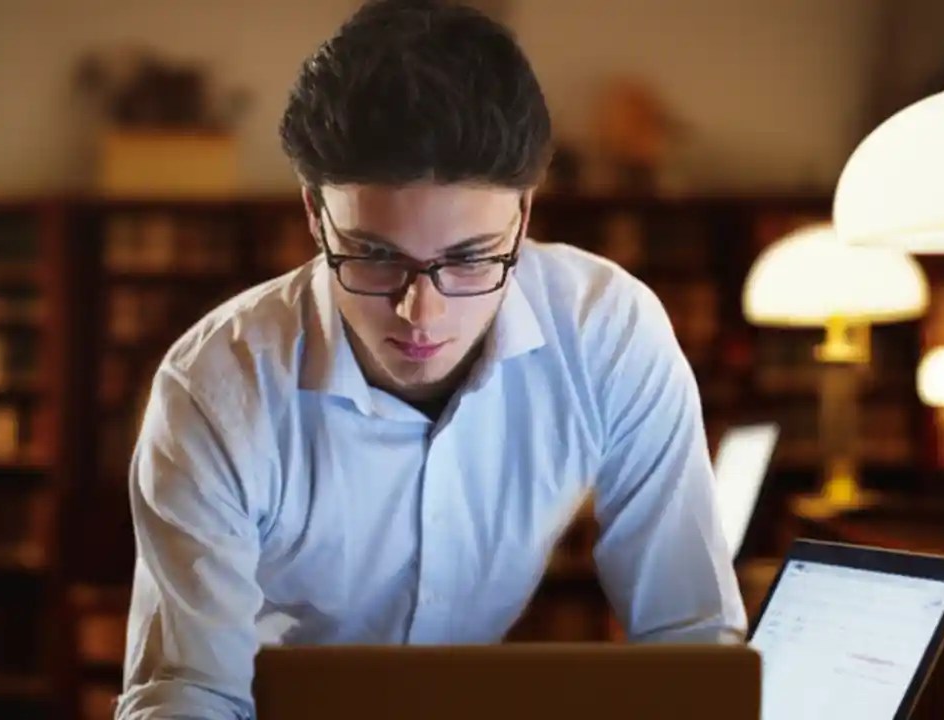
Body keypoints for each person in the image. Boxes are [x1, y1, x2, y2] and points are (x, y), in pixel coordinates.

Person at [116, 1, 745, 717]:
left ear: (525, 217)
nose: (424, 313)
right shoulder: (217, 387)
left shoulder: (607, 333)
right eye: (377, 257)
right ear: (315, 216)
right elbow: (191, 689)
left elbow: (688, 638)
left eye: (472, 259)